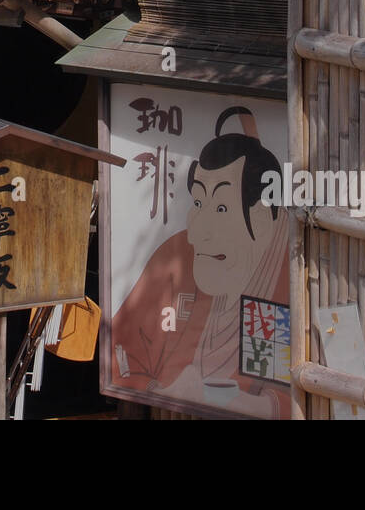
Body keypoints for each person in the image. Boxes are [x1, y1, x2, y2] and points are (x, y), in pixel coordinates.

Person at [111, 106, 290, 417]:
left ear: (261, 218)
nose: (199, 231)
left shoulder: (284, 273)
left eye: (221, 208)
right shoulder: (178, 253)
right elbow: (121, 346)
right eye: (197, 202)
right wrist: (158, 389)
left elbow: (301, 389)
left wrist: (222, 398)